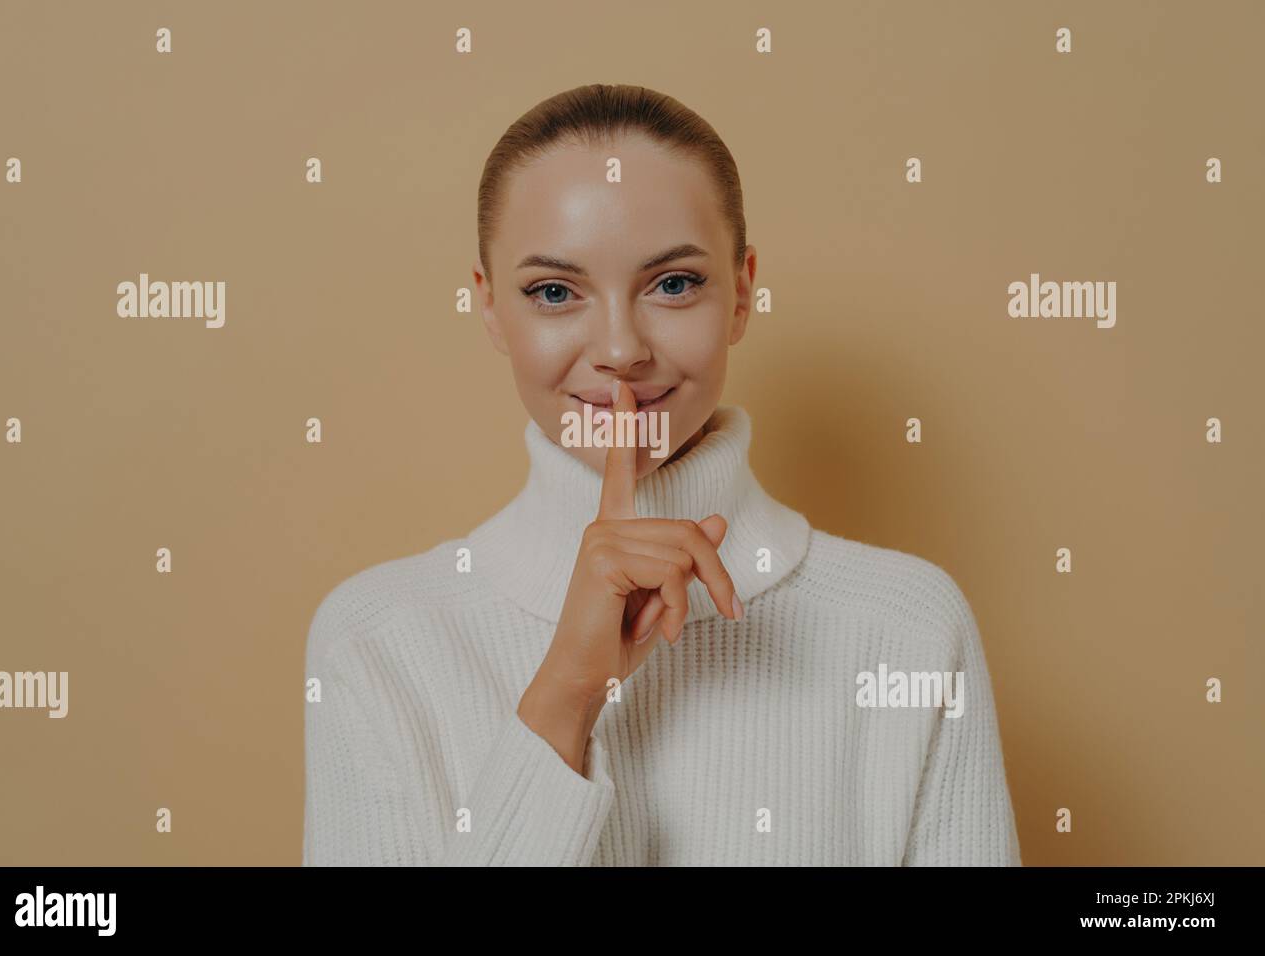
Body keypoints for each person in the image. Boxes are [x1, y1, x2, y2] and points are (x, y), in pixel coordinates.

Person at [302, 83, 1020, 866]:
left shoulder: (910, 630)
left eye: (673, 284)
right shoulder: (378, 642)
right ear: (487, 306)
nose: (620, 349)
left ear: (742, 292)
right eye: (553, 292)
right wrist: (566, 695)